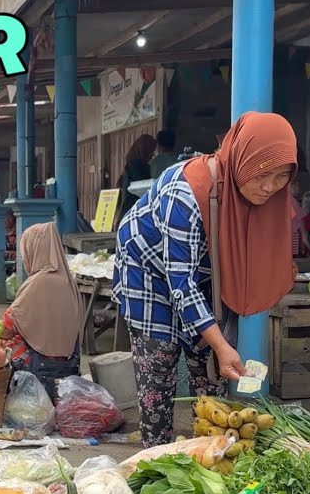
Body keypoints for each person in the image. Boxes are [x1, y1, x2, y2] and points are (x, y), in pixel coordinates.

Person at [114, 112, 299, 447]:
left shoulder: (266, 200)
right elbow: (179, 284)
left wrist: (219, 345)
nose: (271, 186)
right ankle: (157, 457)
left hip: (205, 272)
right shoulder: (184, 193)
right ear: (242, 161)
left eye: (281, 176)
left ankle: (212, 456)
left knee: (212, 369)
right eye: (262, 175)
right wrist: (221, 343)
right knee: (160, 365)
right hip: (148, 273)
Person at [0, 222, 82, 399]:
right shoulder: (67, 280)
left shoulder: (39, 283)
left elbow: (4, 331)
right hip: (68, 363)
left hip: (40, 365)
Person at [117, 134, 159, 222]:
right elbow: (142, 188)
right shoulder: (137, 166)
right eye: (150, 151)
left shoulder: (131, 164)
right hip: (134, 210)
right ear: (144, 151)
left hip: (128, 211)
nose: (152, 155)